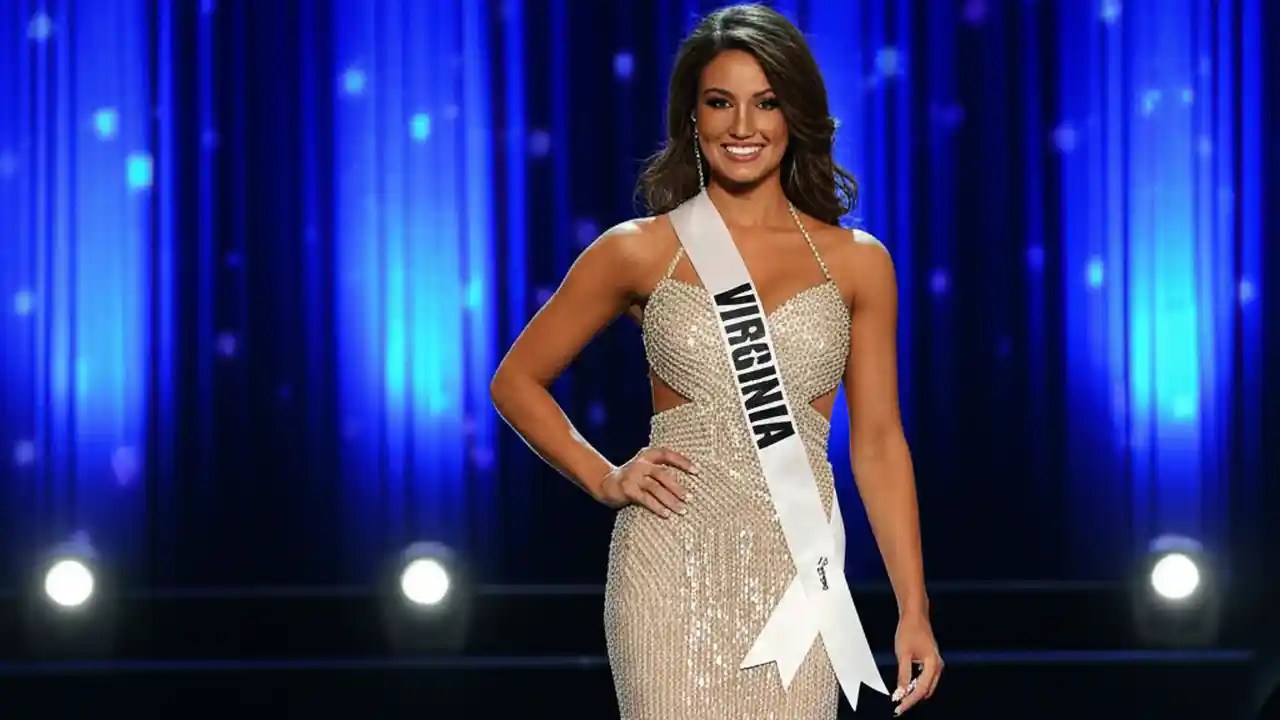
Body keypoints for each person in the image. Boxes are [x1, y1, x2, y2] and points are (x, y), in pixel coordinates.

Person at [489, 4, 941, 718]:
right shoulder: (638, 248)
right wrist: (604, 478)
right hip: (669, 562)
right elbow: (515, 381)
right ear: (692, 117)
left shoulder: (859, 264)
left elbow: (880, 442)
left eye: (766, 103)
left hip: (799, 573)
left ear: (796, 114)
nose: (743, 126)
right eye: (720, 102)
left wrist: (913, 605)